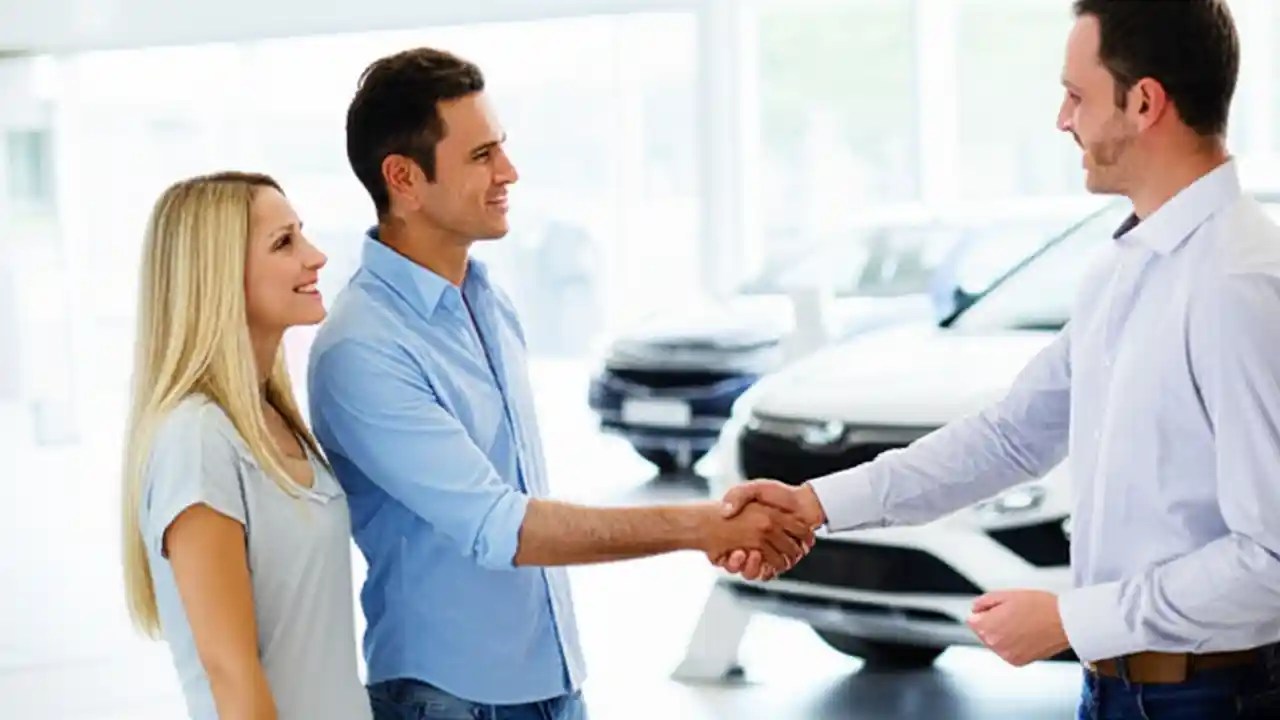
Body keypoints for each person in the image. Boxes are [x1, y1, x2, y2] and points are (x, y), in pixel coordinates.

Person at [722, 1, 1280, 718]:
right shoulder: (1124, 269)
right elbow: (1011, 435)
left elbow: (1270, 558)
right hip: (1117, 691)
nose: (1061, 120)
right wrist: (815, 503)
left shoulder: (1240, 284)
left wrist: (1070, 619)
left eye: (1076, 96)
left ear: (1143, 103)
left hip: (1214, 698)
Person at [306, 48, 814, 720]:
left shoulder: (486, 299)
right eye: (481, 156)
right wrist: (703, 525)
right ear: (403, 177)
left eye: (503, 149)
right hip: (450, 699)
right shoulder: (362, 347)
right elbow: (502, 527)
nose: (508, 172)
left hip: (550, 681)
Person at [120, 172, 371, 720]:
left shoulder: (274, 418)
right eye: (284, 242)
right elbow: (232, 677)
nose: (316, 256)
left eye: (300, 234)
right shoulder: (196, 440)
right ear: (216, 275)